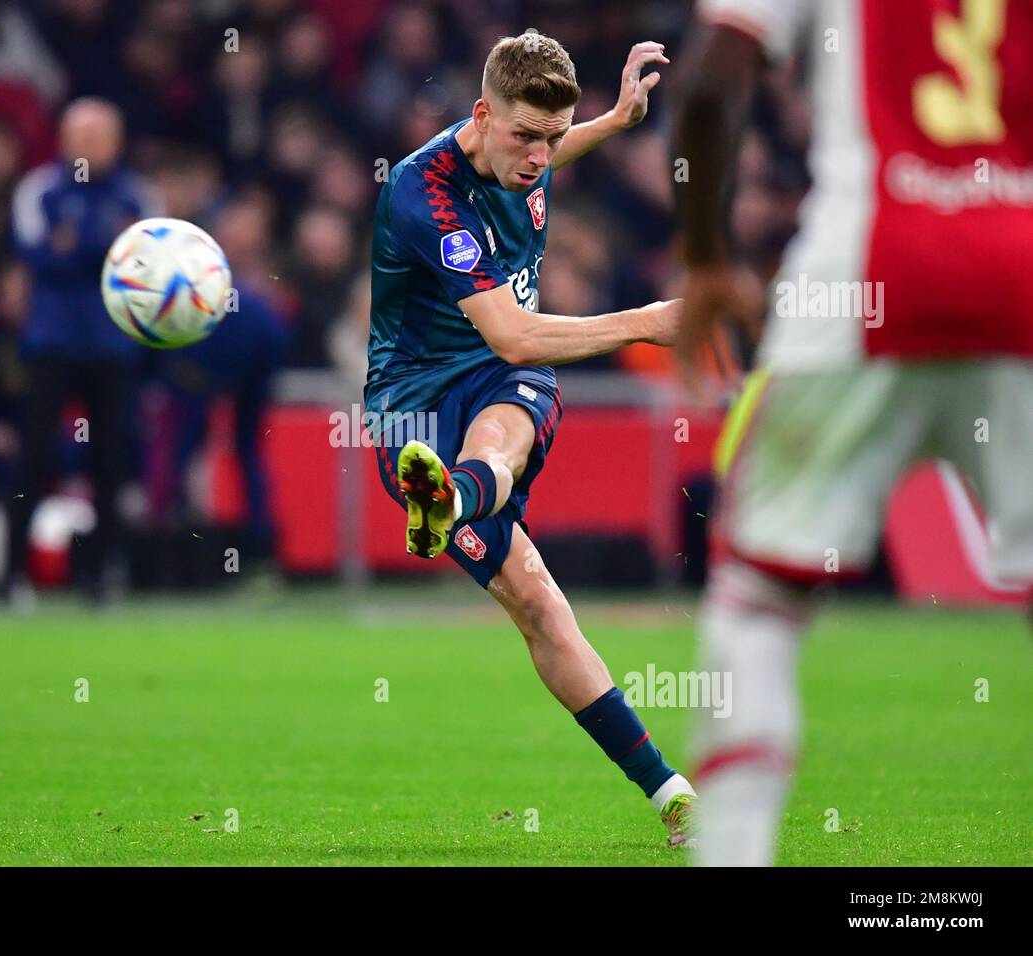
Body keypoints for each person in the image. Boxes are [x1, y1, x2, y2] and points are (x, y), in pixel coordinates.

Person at [671, 0, 1033, 865]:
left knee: (758, 602)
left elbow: (708, 84)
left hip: (858, 283)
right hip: (1020, 281)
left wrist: (705, 259)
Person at [365, 32, 697, 846]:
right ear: (480, 116)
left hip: (490, 388)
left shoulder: (530, 148)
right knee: (537, 601)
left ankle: (673, 797)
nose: (540, 157)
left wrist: (615, 122)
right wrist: (651, 323)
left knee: (516, 486)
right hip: (412, 405)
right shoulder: (425, 196)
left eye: (554, 137)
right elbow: (514, 334)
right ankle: (449, 488)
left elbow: (509, 355)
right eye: (525, 136)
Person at [6, 97, 154, 606]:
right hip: (52, 340)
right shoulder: (39, 189)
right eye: (79, 135)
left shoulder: (137, 194)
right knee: (33, 455)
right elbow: (38, 252)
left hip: (112, 343)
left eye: (99, 136)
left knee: (109, 461)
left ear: (116, 142)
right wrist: (93, 250)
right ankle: (12, 573)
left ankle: (99, 574)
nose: (88, 146)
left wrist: (75, 248)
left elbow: (143, 264)